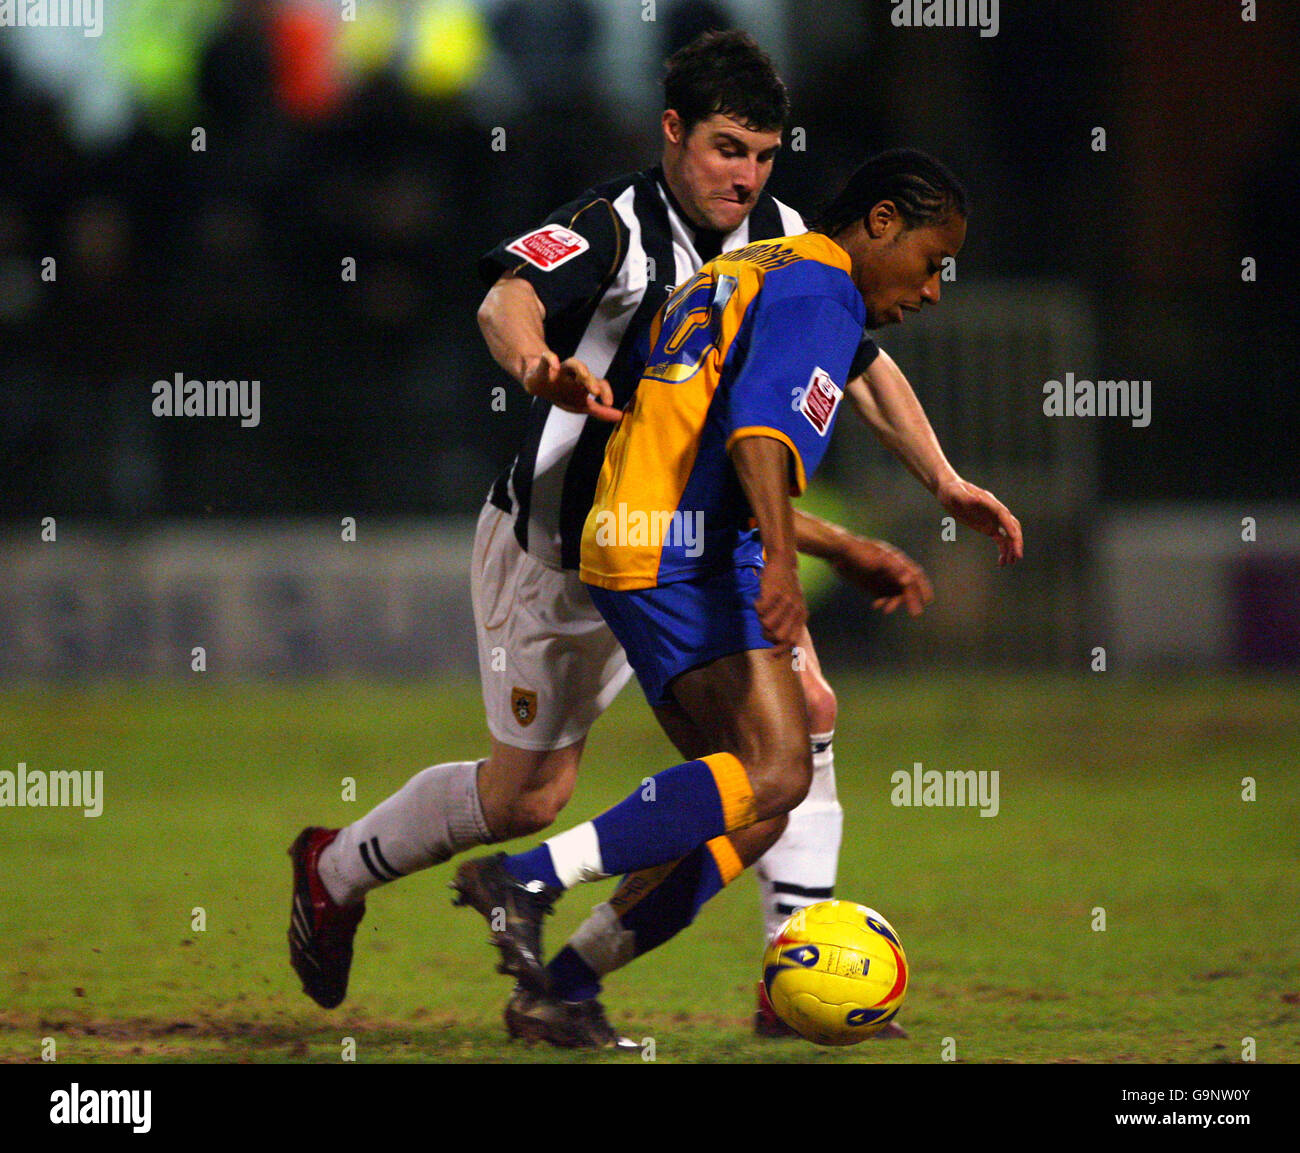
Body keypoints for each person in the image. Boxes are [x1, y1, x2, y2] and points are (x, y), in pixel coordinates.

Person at [288, 32, 1020, 1045]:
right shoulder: (614, 222)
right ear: (672, 131)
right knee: (525, 795)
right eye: (726, 149)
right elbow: (505, 298)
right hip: (558, 548)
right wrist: (537, 362)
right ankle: (338, 871)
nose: (745, 175)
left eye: (763, 155)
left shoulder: (787, 237)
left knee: (788, 736)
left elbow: (855, 362)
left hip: (684, 544)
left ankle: (774, 966)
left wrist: (938, 478)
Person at [452, 147, 1016, 1050]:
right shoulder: (821, 292)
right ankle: (526, 879)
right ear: (881, 223)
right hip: (677, 551)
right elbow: (758, 431)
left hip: (644, 535)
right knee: (780, 768)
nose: (935, 288)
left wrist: (894, 508)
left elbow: (703, 420)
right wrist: (785, 566)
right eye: (932, 260)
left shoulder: (762, 264)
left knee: (751, 806)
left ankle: (562, 986)